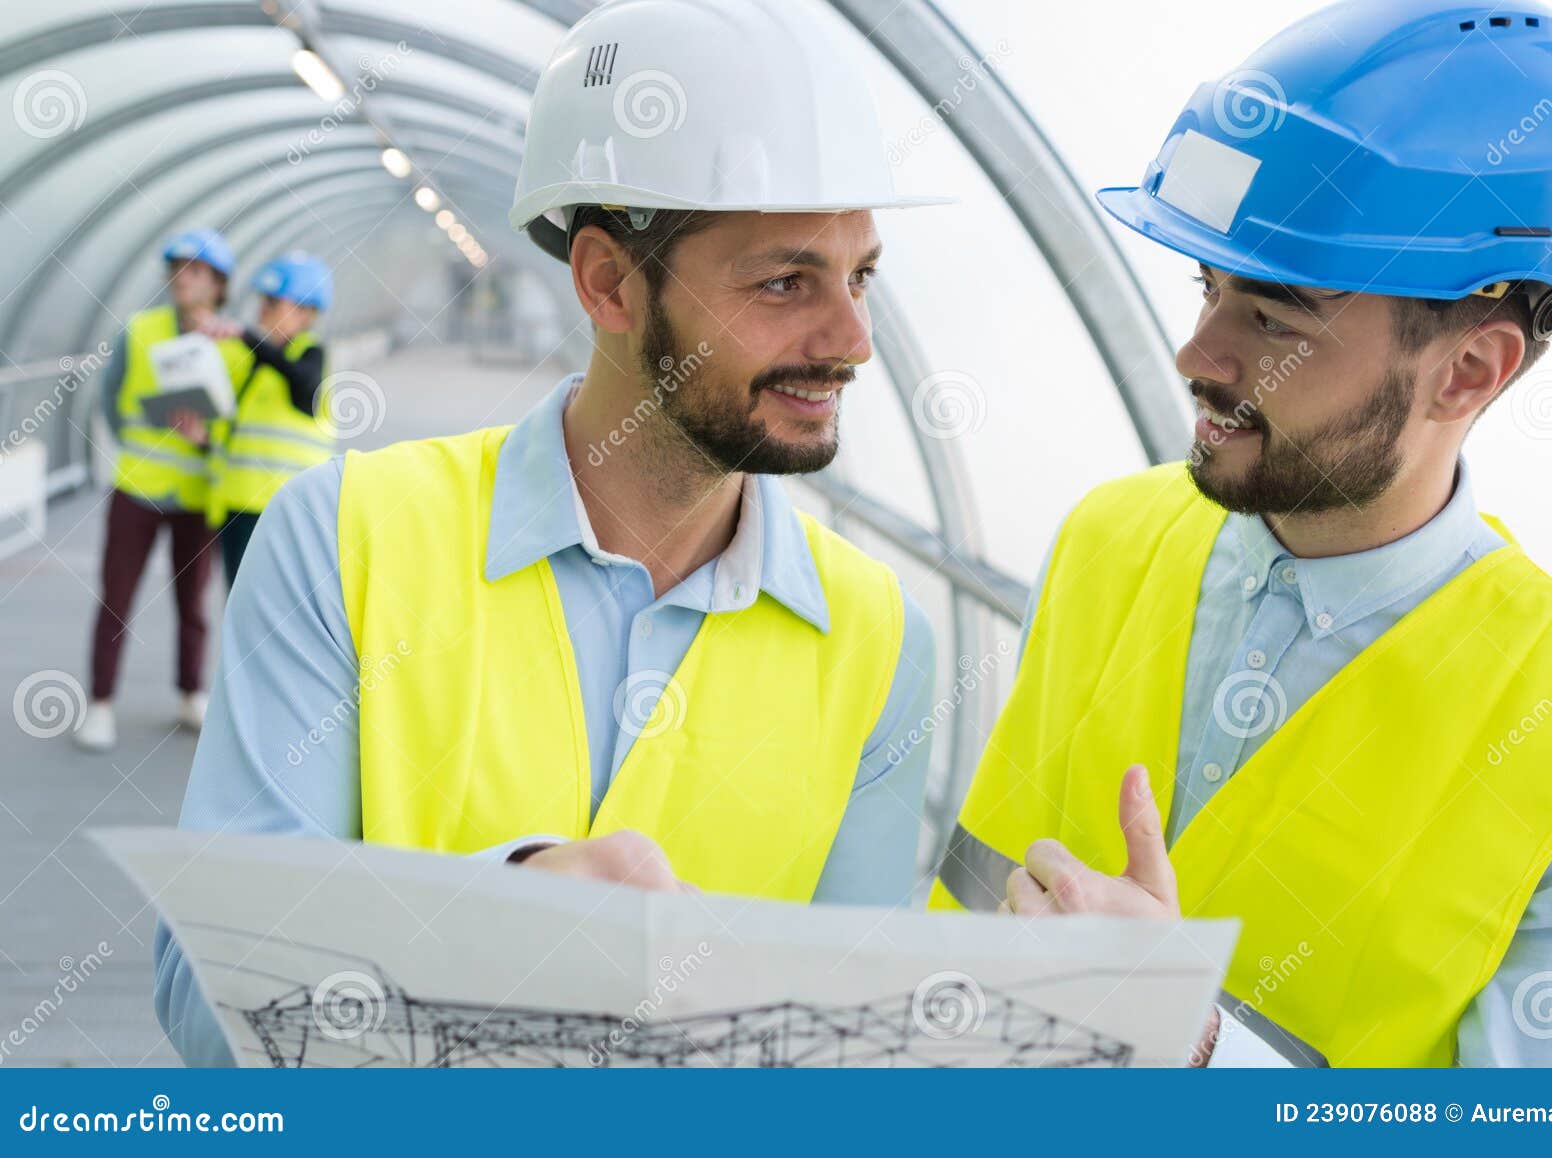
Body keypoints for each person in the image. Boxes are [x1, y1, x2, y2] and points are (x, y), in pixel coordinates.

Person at [154, 0, 946, 1065]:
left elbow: (849, 1054)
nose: (850, 339)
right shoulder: (347, 538)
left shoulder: (882, 642)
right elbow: (208, 994)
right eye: (784, 281)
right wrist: (497, 920)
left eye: (861, 277)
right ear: (608, 282)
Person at [935, 0, 1552, 1067]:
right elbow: (964, 911)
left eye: (1274, 317)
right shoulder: (1110, 534)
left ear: (1469, 370)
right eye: (1207, 287)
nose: (1198, 353)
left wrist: (1195, 1047)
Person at [77, 229, 254, 752]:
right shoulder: (141, 329)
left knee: (193, 602)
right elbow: (111, 398)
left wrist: (206, 439)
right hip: (138, 485)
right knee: (116, 597)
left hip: (199, 492)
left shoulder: (233, 344)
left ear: (219, 285)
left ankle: (189, 694)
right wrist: (136, 437)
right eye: (178, 268)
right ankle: (99, 704)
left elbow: (237, 422)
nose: (183, 278)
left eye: (196, 270)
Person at [192, 252, 334, 586]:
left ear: (306, 312)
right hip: (235, 507)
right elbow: (235, 432)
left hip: (288, 511)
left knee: (282, 611)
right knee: (240, 607)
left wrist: (246, 336)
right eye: (263, 300)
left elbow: (301, 383)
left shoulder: (311, 356)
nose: (263, 309)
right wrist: (203, 440)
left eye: (274, 302)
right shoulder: (250, 359)